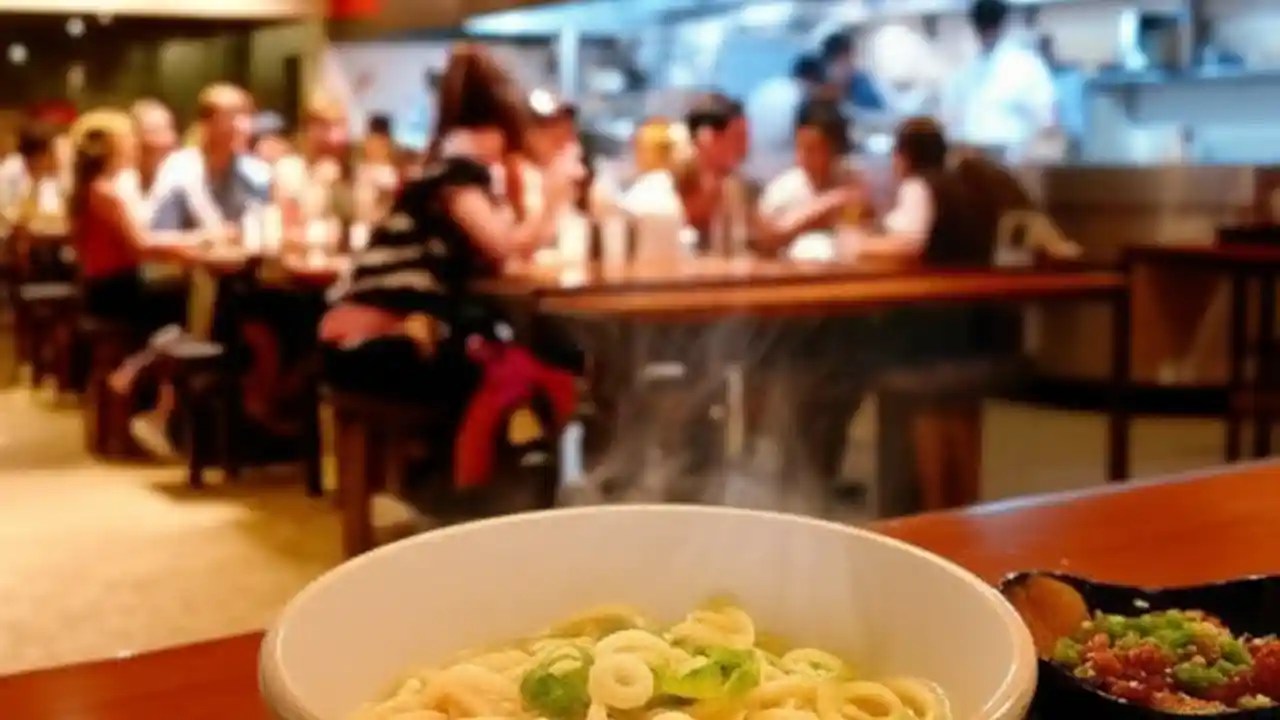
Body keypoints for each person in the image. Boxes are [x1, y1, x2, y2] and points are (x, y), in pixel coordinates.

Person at [322, 43, 583, 510]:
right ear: (501, 128)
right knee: (503, 369)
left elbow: (500, 252)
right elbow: (504, 245)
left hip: (369, 335)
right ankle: (471, 505)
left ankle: (478, 497)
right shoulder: (456, 172)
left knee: (521, 358)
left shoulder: (446, 167)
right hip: (371, 342)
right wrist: (555, 196)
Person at [861, 117, 994, 511]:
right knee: (956, 409)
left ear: (903, 157)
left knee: (930, 406)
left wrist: (857, 245)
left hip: (932, 328)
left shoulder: (920, 186)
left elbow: (908, 244)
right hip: (970, 326)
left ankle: (935, 508)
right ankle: (963, 506)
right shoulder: (964, 187)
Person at [942, 0, 1057, 159]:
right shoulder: (964, 72)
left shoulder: (1027, 67)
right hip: (972, 161)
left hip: (1014, 161)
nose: (987, 33)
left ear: (1002, 24)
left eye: (991, 25)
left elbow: (1047, 123)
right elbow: (949, 120)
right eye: (982, 26)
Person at [150, 83, 271, 232]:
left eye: (246, 117)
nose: (241, 127)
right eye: (231, 117)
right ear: (207, 124)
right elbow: (160, 234)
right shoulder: (177, 170)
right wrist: (204, 242)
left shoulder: (258, 173)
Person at [755, 99, 862, 259]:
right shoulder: (783, 189)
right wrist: (831, 202)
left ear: (834, 149)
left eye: (813, 150)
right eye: (800, 148)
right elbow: (768, 238)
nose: (802, 158)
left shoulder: (852, 178)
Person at [744, 55, 826, 178]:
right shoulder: (801, 98)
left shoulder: (769, 86)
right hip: (775, 171)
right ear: (813, 79)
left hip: (746, 164)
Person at [821, 31, 886, 114]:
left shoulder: (864, 88)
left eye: (848, 60)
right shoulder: (827, 92)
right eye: (839, 63)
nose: (848, 67)